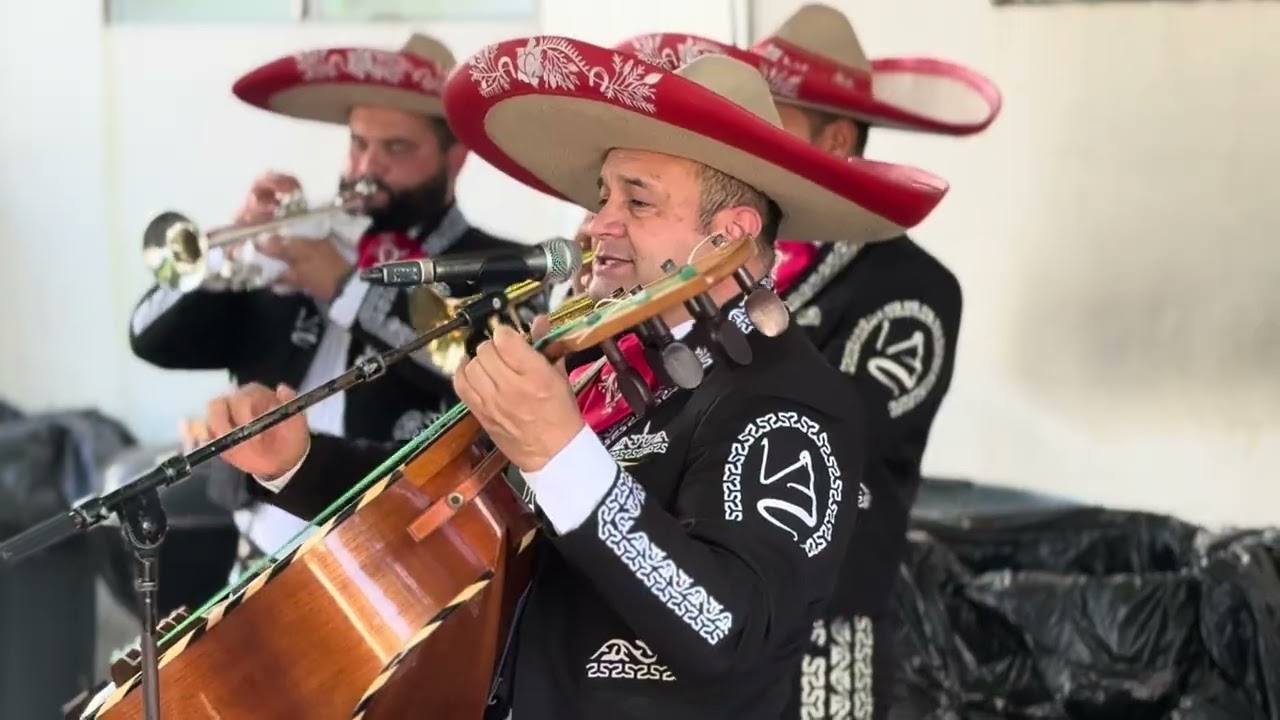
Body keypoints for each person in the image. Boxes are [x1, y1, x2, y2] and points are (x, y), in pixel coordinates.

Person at [193, 35, 948, 719]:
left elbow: (727, 628)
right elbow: (443, 494)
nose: (595, 225)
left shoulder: (791, 402)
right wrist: (293, 459)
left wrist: (560, 454)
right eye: (601, 198)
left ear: (729, 234)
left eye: (637, 201)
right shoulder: (598, 354)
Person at [617, 10, 1002, 718]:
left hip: (826, 621)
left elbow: (830, 439)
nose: (748, 134)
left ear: (835, 140)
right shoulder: (744, 271)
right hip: (708, 599)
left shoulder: (913, 289)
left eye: (775, 118)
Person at [127, 33, 539, 571]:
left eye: (396, 148)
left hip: (407, 556)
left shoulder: (499, 263)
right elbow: (151, 338)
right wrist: (233, 253)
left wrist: (347, 288)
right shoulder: (302, 247)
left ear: (454, 160)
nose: (367, 168)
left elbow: (481, 364)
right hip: (257, 562)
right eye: (358, 144)